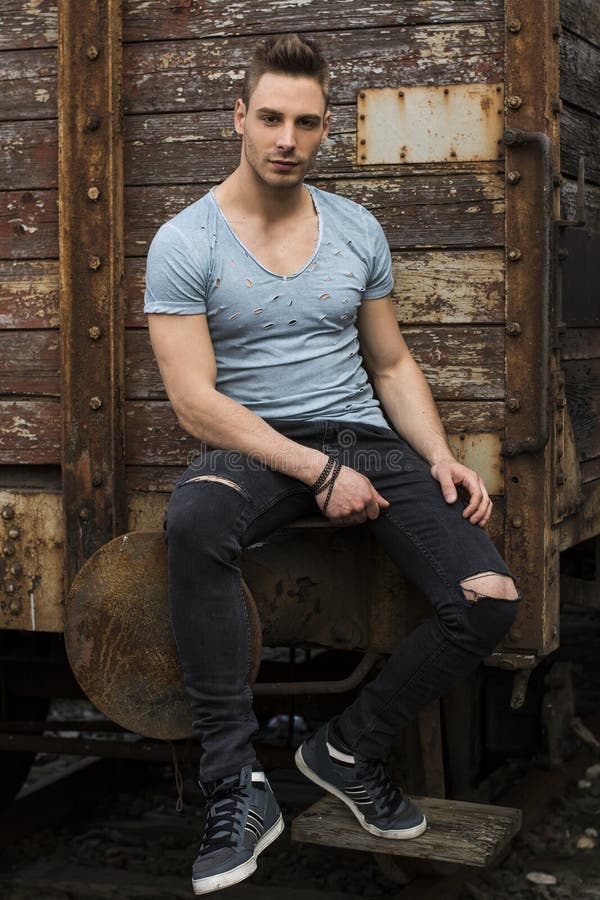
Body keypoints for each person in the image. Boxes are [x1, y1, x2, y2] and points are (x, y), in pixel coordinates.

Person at [144, 33, 521, 895]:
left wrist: (438, 456)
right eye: (270, 117)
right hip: (260, 445)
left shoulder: (357, 229)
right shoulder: (185, 240)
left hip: (367, 440)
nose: (286, 137)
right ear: (239, 116)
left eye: (305, 123)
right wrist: (314, 471)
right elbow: (195, 401)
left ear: (325, 132)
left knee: (490, 601)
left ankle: (347, 747)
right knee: (194, 519)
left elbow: (389, 364)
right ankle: (236, 786)